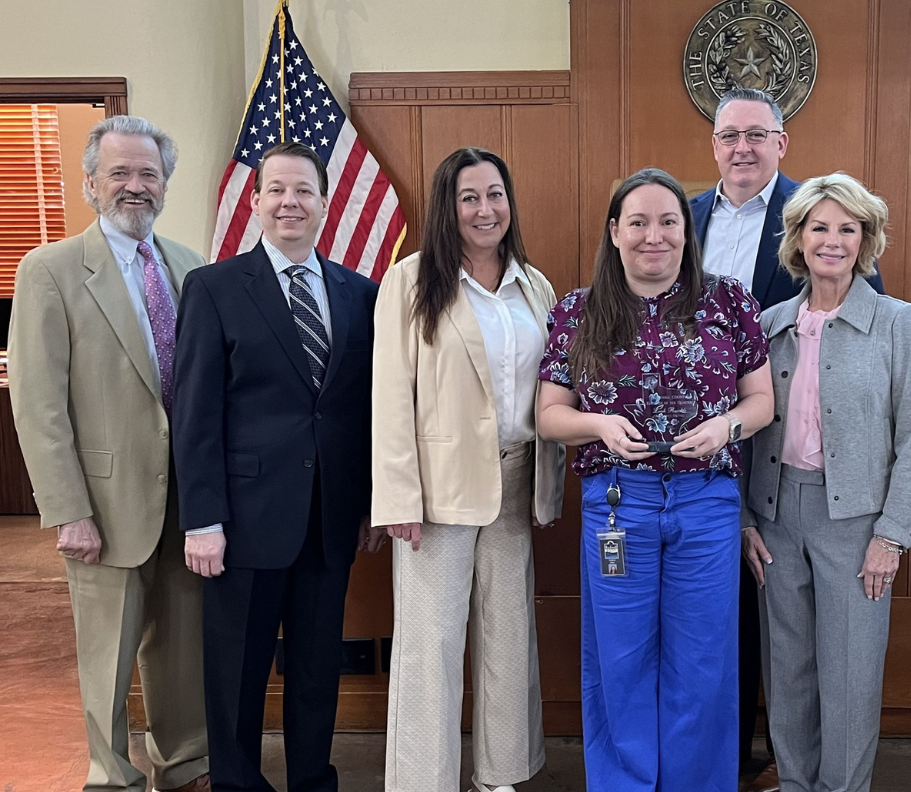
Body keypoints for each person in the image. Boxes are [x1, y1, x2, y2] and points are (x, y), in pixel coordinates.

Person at [537, 167, 774, 791]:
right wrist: (597, 424)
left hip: (707, 504)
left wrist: (727, 428)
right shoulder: (578, 310)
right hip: (619, 504)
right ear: (614, 232)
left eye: (668, 221)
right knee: (620, 658)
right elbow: (549, 415)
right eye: (637, 222)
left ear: (686, 231)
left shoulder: (729, 301)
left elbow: (761, 402)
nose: (654, 236)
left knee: (702, 662)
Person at [689, 87, 885, 787]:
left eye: (757, 135)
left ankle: (800, 767)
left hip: (816, 474)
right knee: (741, 629)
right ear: (713, 143)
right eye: (729, 135)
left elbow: (864, 360)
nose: (742, 147)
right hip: (705, 470)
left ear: (781, 143)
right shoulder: (679, 220)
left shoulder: (822, 215)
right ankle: (733, 760)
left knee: (825, 649)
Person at [8, 115, 210, 792]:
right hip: (103, 502)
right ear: (90, 182)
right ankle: (111, 774)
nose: (134, 186)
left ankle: (184, 760)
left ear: (165, 184)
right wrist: (68, 509)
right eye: (119, 173)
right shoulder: (50, 270)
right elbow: (37, 405)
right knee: (108, 656)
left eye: (147, 174)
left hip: (187, 499)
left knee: (182, 650)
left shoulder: (189, 265)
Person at [172, 142, 382, 792]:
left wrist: (374, 501)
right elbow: (195, 412)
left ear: (325, 202)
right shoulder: (213, 287)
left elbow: (366, 411)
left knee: (318, 671)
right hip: (241, 523)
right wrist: (202, 518)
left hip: (329, 521)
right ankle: (237, 784)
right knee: (237, 671)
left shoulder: (360, 293)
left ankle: (312, 781)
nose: (290, 201)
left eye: (304, 190)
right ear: (256, 201)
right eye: (277, 190)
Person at [371, 147, 566, 792]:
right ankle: (423, 780)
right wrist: (398, 496)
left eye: (495, 195)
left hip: (515, 484)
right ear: (446, 208)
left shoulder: (534, 286)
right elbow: (391, 395)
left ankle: (500, 773)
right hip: (436, 492)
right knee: (430, 647)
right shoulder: (410, 281)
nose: (485, 210)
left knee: (508, 640)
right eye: (469, 197)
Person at [741, 172, 911, 792]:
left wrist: (894, 533)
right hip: (775, 515)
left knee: (849, 674)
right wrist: (746, 520)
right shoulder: (767, 323)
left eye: (847, 228)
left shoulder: (896, 322)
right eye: (819, 227)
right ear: (797, 238)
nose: (832, 240)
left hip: (855, 522)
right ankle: (796, 783)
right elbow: (742, 426)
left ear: (866, 239)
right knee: (787, 667)